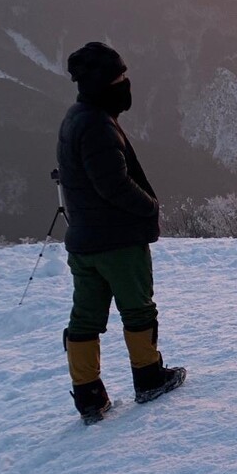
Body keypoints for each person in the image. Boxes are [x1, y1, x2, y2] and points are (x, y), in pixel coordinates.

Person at [57, 42, 185, 424]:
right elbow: (113, 185)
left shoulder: (76, 117)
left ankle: (89, 396)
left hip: (84, 241)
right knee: (138, 310)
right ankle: (149, 378)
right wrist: (149, 205)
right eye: (120, 78)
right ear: (104, 84)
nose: (126, 84)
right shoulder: (97, 126)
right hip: (117, 242)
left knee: (85, 319)